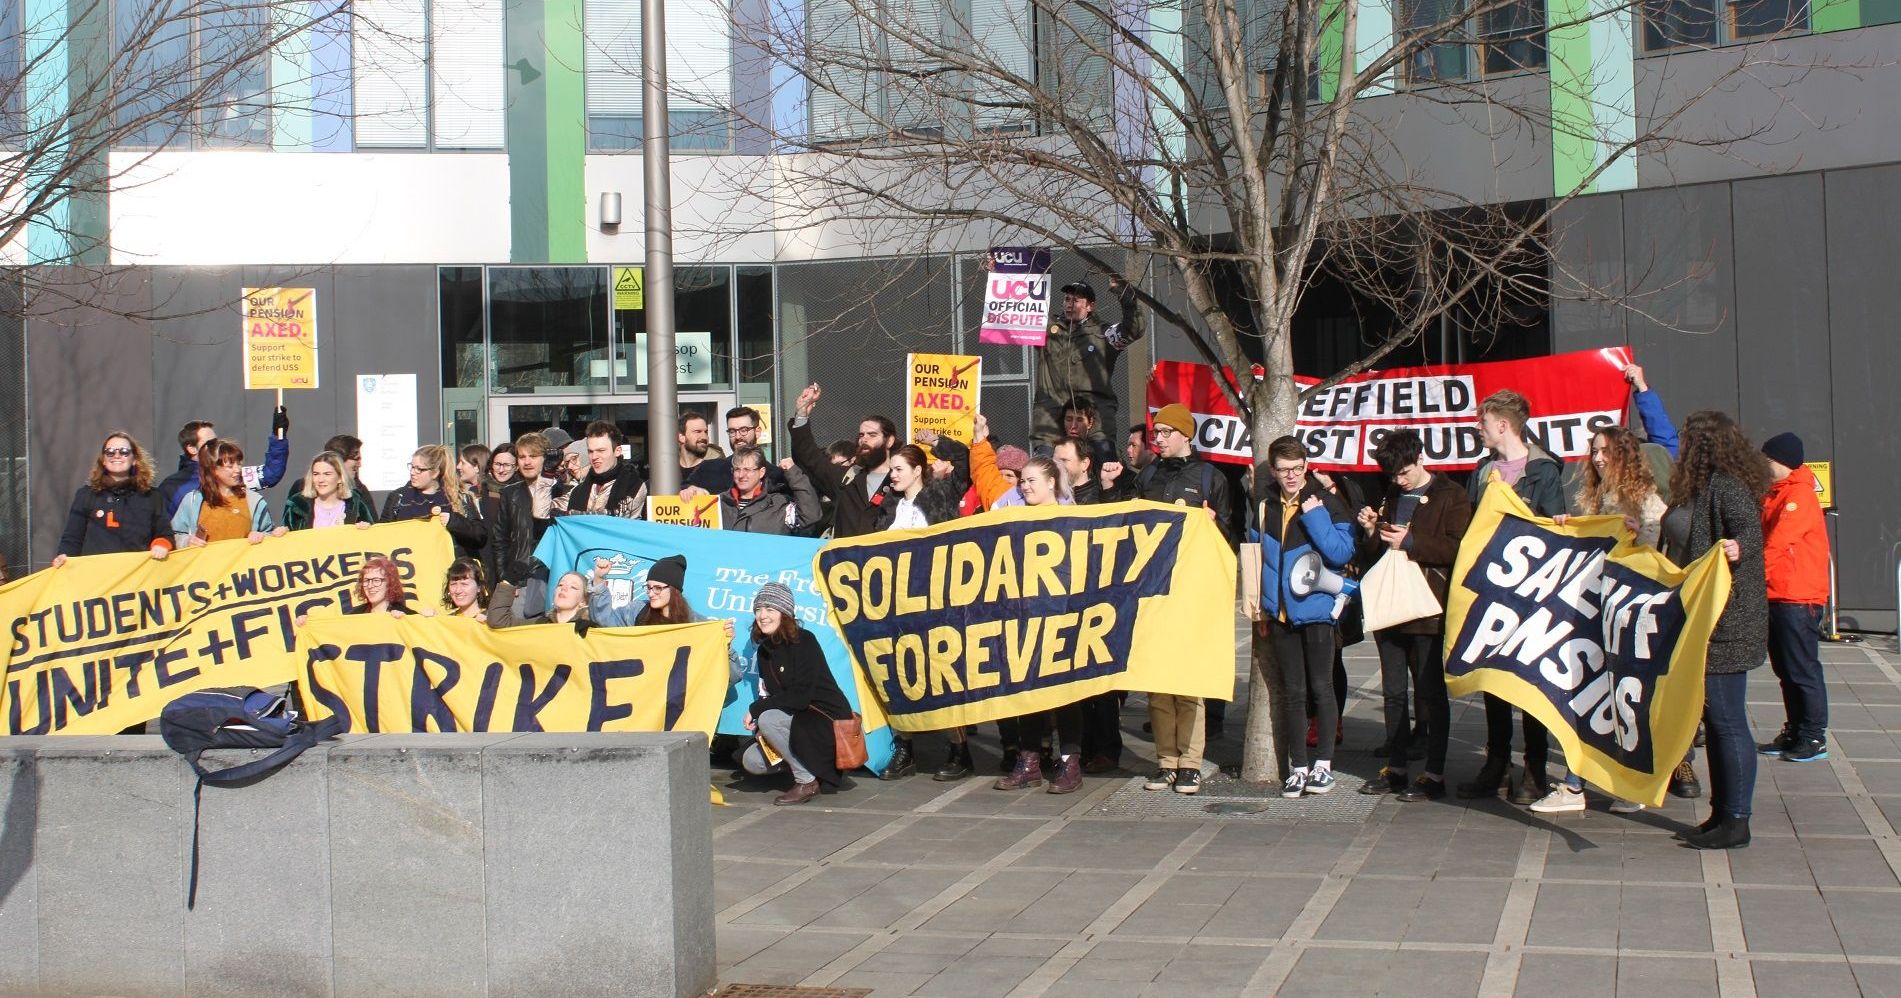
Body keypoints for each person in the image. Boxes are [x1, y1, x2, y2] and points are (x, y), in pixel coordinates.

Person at [1661, 410, 1769, 850]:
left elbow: (1749, 533)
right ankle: (1723, 811)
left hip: (1728, 622)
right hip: (1706, 618)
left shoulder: (1726, 485)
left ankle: (1737, 819)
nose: (1681, 447)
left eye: (1686, 440)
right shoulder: (1701, 486)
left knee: (1726, 720)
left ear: (1702, 445)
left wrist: (1737, 548)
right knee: (1716, 717)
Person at [1459, 389, 1565, 804]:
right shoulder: (1483, 472)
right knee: (1494, 682)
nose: (1478, 429)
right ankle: (1496, 762)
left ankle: (1534, 768)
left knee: (1529, 685)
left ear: (1502, 425)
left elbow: (1551, 530)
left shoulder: (1544, 471)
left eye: (1482, 423)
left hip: (1529, 596)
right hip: (1490, 592)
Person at [1354, 430, 1470, 802]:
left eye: (1404, 473)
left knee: (1430, 691)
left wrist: (1412, 542)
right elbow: (1379, 549)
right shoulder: (1392, 493)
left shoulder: (1451, 495)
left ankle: (1434, 773)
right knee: (1392, 691)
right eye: (1393, 476)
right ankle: (1397, 767)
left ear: (1421, 459)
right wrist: (1374, 530)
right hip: (1392, 604)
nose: (1399, 481)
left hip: (1427, 605)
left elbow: (1457, 549)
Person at [1248, 436, 1356, 799]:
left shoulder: (1325, 501)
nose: (1291, 476)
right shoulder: (1264, 505)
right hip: (1279, 613)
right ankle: (1298, 767)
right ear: (1274, 471)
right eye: (1283, 470)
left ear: (1306, 466)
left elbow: (1341, 552)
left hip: (1317, 611)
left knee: (1321, 688)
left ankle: (1323, 765)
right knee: (1293, 693)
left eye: (1297, 469)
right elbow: (1256, 556)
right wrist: (1261, 606)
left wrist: (1316, 515)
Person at [1136, 403, 1230, 792]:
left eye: (1163, 432)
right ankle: (1166, 760)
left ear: (1184, 435)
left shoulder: (1211, 477)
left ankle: (1190, 762)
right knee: (1157, 679)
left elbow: (1230, 534)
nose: (1156, 438)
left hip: (1193, 589)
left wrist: (1214, 525)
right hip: (1153, 589)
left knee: (1188, 680)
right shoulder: (1148, 475)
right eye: (1154, 433)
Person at [995, 456, 1090, 794]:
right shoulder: (1015, 518)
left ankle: (1069, 763)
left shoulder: (1070, 517)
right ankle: (1030, 760)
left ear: (1052, 482)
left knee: (1064, 692)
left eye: (1032, 480)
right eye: (1023, 481)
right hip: (1024, 615)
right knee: (1028, 690)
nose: (1025, 486)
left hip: (1061, 613)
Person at [741, 582, 855, 805]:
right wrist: (763, 728)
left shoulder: (804, 641)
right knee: (751, 760)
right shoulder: (765, 650)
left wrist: (756, 711)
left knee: (768, 718)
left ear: (785, 613)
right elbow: (770, 694)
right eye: (758, 609)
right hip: (799, 720)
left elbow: (799, 697)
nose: (762, 616)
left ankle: (807, 781)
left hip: (825, 720)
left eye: (770, 610)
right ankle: (805, 765)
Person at [1053, 435, 1126, 772]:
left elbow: (1115, 527)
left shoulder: (1098, 494)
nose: (1058, 466)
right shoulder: (1051, 498)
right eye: (1054, 460)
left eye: (1064, 460)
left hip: (1097, 599)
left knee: (1100, 681)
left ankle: (1107, 748)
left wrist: (1110, 489)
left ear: (1084, 464)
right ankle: (1075, 749)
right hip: (1061, 599)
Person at [1758, 431, 1832, 764]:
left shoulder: (1798, 496)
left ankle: (1813, 735)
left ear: (1783, 463)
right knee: (1787, 669)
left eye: (1768, 459)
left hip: (1797, 595)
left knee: (1802, 668)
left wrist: (1753, 575)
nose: (1763, 464)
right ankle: (1796, 730)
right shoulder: (1774, 493)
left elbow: (1778, 542)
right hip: (1780, 593)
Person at [1032, 278, 1143, 453]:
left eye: (1076, 301)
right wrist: (999, 275)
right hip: (1051, 418)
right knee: (1044, 469)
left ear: (1090, 306)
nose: (1070, 304)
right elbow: (1012, 318)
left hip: (1095, 419)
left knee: (1105, 468)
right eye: (1067, 299)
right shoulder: (1046, 329)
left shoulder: (1104, 334)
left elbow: (1133, 330)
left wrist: (1125, 295)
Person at [787, 383, 899, 540]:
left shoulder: (902, 482)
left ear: (889, 441)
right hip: (845, 563)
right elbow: (809, 458)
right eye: (861, 435)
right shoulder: (848, 479)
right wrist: (801, 413)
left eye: (872, 435)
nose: (864, 439)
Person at [54, 432, 173, 565]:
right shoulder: (87, 495)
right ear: (103, 460)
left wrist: (161, 545)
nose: (117, 455)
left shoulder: (152, 496)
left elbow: (165, 534)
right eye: (110, 452)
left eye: (124, 452)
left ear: (134, 459)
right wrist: (63, 557)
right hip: (96, 578)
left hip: (137, 578)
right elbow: (72, 538)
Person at [160, 409, 291, 515]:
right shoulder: (173, 487)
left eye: (216, 441)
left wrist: (278, 436)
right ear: (191, 448)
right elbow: (167, 531)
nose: (216, 446)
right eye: (209, 443)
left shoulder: (231, 474)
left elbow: (271, 473)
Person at [380, 445, 489, 562]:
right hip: (409, 571)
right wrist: (367, 529)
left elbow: (479, 536)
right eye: (412, 467)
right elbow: (382, 535)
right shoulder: (398, 498)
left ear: (435, 473)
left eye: (419, 469)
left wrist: (453, 521)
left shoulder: (459, 498)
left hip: (450, 572)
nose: (413, 472)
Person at [171, 439, 285, 546]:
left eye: (239, 464)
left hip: (242, 566)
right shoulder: (192, 501)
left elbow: (269, 533)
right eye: (230, 466)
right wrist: (187, 541)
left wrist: (262, 536)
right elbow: (173, 535)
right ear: (213, 470)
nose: (238, 470)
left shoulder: (254, 501)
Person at [493, 432, 566, 585]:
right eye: (522, 457)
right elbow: (500, 540)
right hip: (518, 578)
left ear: (546, 458)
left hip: (554, 576)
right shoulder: (509, 493)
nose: (527, 462)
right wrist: (504, 578)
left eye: (533, 456)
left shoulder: (562, 491)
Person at [559, 421, 647, 518]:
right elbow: (543, 513)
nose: (594, 457)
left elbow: (626, 527)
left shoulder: (633, 486)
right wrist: (547, 474)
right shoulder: (578, 490)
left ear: (617, 451)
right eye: (590, 451)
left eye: (601, 451)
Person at [282, 451, 377, 530]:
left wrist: (366, 530)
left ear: (340, 478)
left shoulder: (355, 504)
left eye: (327, 474)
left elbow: (371, 541)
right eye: (316, 474)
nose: (320, 480)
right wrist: (282, 533)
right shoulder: (297, 505)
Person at [488, 570, 591, 629]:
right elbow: (498, 621)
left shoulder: (589, 631)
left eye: (573, 587)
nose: (563, 588)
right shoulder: (538, 624)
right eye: (560, 584)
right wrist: (508, 583)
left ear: (583, 601)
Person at [679, 412, 735, 494]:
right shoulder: (667, 469)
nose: (704, 437)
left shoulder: (719, 468)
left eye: (705, 432)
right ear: (682, 437)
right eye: (697, 432)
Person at [346, 557, 419, 616]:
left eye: (376, 580)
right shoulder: (353, 617)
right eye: (367, 580)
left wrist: (403, 622)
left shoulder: (407, 616)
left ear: (390, 583)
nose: (370, 585)